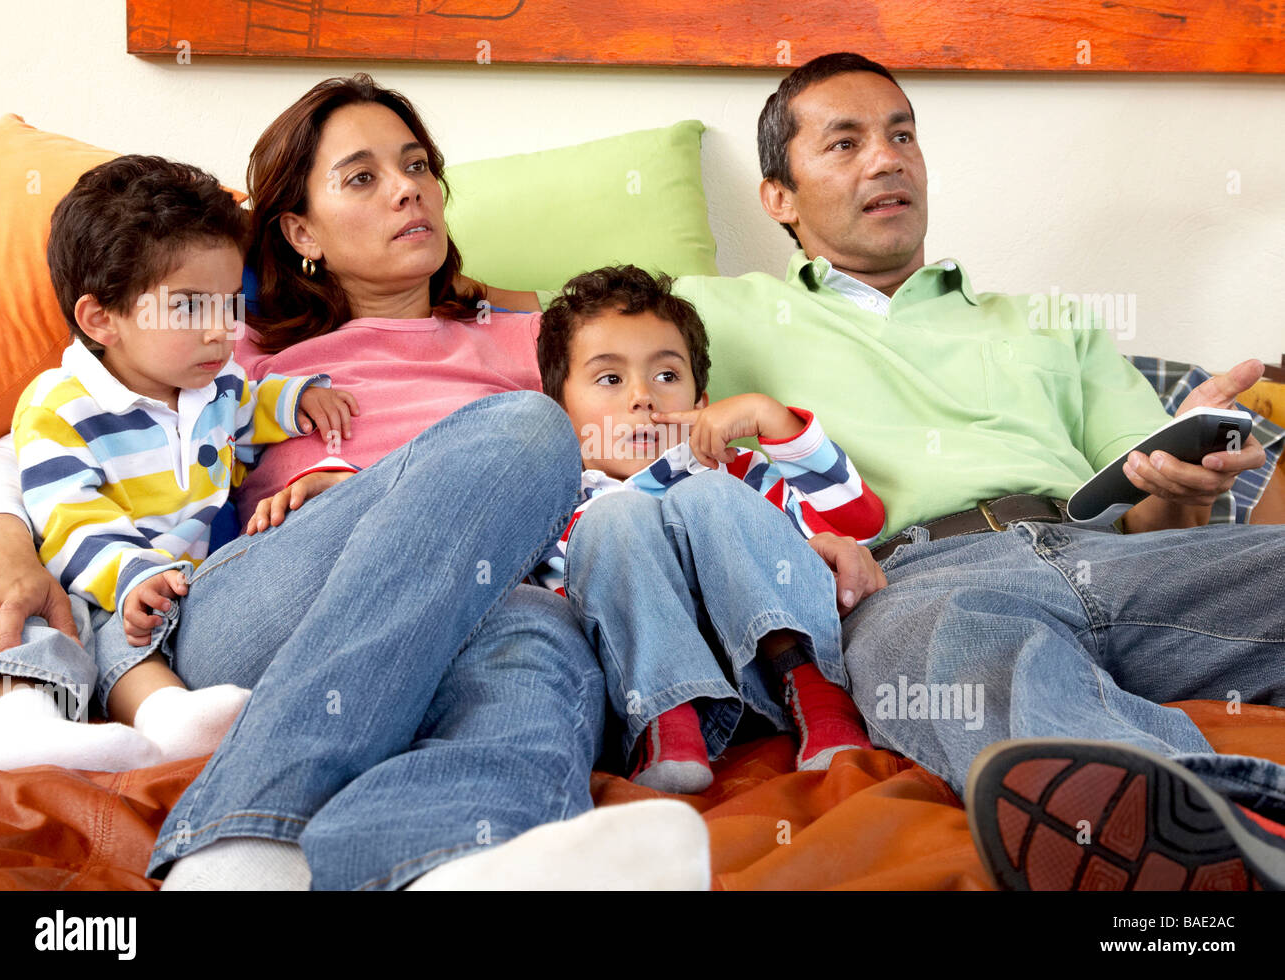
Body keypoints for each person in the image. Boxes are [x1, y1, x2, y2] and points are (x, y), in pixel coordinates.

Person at [518, 53, 1285, 889]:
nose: (886, 159)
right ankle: (1201, 822)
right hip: (911, 576)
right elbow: (566, 351)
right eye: (844, 143)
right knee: (956, 649)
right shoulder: (708, 312)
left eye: (901, 136)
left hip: (1124, 557)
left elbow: (1151, 511)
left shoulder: (1049, 321)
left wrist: (1186, 480)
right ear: (777, 198)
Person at [0, 74, 711, 890]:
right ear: (301, 229)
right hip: (268, 604)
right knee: (526, 430)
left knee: (538, 632)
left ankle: (445, 863)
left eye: (418, 166)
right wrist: (4, 539)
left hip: (490, 603)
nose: (408, 189)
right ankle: (239, 837)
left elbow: (658, 426)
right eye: (363, 177)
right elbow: (54, 434)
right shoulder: (231, 342)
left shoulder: (541, 339)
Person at [0, 155, 357, 771]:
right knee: (49, 624)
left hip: (164, 594)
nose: (222, 332)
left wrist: (300, 398)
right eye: (190, 308)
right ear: (101, 319)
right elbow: (68, 516)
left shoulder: (215, 389)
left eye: (227, 304)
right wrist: (130, 575)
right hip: (84, 574)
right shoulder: (61, 405)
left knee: (132, 642)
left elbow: (252, 409)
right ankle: (20, 719)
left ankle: (167, 720)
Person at [534, 265, 884, 793]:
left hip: (771, 682)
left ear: (701, 404)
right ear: (561, 412)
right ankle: (668, 721)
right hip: (642, 690)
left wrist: (768, 416)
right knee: (614, 519)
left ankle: (816, 690)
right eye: (610, 379)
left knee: (708, 491)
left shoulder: (732, 468)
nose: (643, 398)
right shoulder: (557, 507)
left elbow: (857, 522)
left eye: (667, 376)